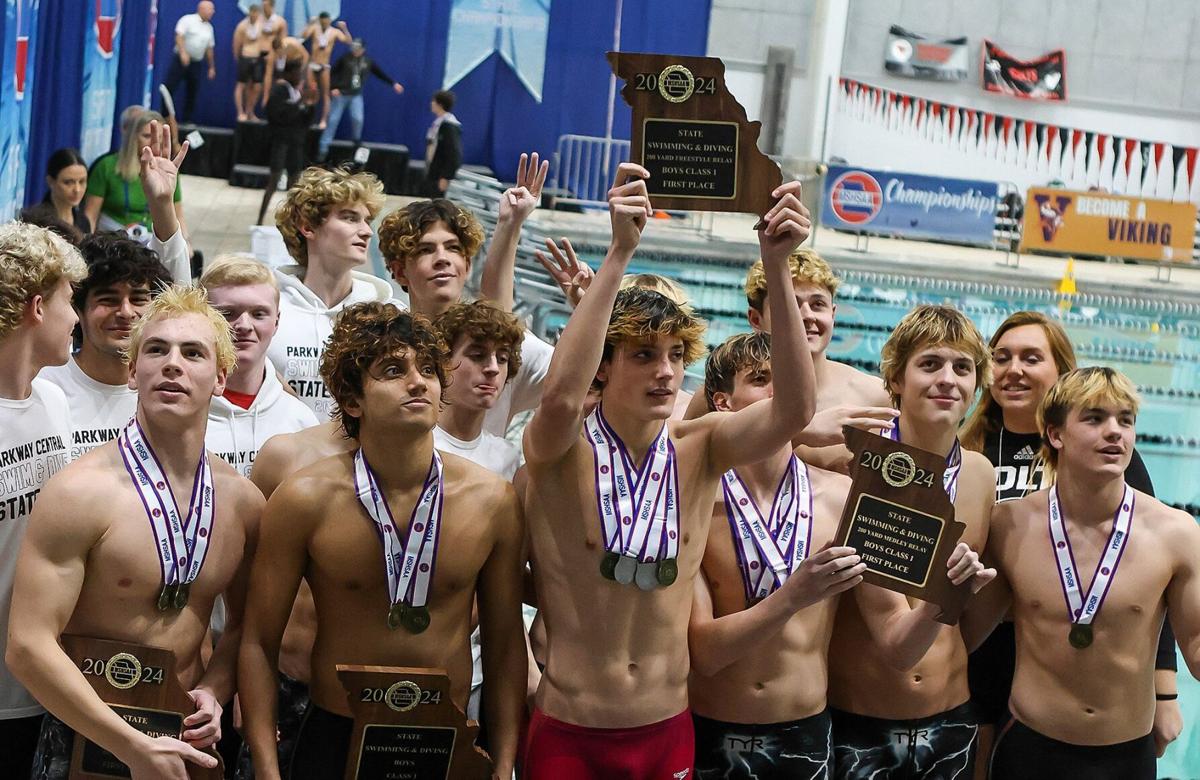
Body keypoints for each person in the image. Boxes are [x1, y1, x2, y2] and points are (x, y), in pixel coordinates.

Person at [519, 164, 815, 778]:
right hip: (571, 729)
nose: (666, 371)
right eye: (644, 355)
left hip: (666, 727)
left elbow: (794, 411)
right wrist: (620, 252)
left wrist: (778, 266)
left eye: (677, 356)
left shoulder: (700, 448)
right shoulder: (557, 451)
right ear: (603, 366)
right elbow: (561, 399)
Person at [238, 302, 526, 779]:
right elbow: (258, 641)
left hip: (445, 738)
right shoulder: (305, 499)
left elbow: (506, 645)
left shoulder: (492, 501)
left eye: (428, 370)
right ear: (353, 400)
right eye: (394, 370)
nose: (418, 382)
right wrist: (268, 770)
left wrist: (506, 763)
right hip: (336, 733)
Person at [690, 331, 992, 780]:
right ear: (722, 403)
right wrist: (793, 596)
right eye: (760, 379)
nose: (781, 394)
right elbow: (704, 655)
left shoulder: (847, 495)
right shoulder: (692, 496)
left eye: (789, 383)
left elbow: (896, 640)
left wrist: (943, 598)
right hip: (711, 728)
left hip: (808, 738)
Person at [7, 285, 262, 780]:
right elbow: (27, 645)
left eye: (193, 353)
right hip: (86, 735)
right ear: (132, 371)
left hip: (184, 734)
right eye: (157, 349)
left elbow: (244, 627)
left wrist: (215, 690)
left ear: (220, 378)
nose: (173, 364)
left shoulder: (243, 503)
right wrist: (130, 745)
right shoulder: (79, 493)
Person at [958, 310, 1181, 765]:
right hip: (984, 653)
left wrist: (1164, 690)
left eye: (1030, 358)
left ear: (1060, 371)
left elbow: (1150, 575)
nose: (1013, 369)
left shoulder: (1106, 455)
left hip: (1075, 654)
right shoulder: (967, 448)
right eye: (1001, 357)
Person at [825, 304, 996, 779]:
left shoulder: (980, 476)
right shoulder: (848, 462)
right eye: (930, 364)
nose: (948, 380)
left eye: (962, 368)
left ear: (976, 385)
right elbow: (895, 640)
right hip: (862, 723)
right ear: (896, 379)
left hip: (950, 720)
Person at [378, 152, 552, 436]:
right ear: (399, 271)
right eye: (425, 250)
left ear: (468, 266)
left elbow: (577, 378)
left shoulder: (509, 349)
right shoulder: (383, 342)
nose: (442, 259)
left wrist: (510, 224)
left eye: (453, 248)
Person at [681, 249, 897, 471]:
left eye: (818, 304)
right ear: (755, 319)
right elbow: (681, 469)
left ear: (833, 314)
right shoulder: (720, 394)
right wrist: (800, 433)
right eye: (790, 306)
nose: (807, 316)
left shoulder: (876, 398)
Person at [0, 223, 84, 777]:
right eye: (70, 300)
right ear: (37, 307)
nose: (75, 317)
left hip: (43, 684)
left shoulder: (54, 400)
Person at [267, 166, 393, 418]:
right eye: (350, 218)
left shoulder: (387, 316)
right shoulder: (266, 308)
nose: (367, 231)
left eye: (367, 220)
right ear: (308, 227)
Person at [39, 234, 172, 459]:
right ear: (77, 310)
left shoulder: (169, 388)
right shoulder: (44, 387)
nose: (126, 312)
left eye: (138, 299)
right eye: (108, 300)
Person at [201, 255, 318, 478]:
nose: (244, 325)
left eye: (258, 314)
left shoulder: (301, 420)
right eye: (228, 314)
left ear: (276, 322)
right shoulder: (180, 415)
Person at [432, 301, 524, 481]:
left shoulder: (506, 458)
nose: (493, 368)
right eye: (477, 355)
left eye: (502, 358)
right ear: (442, 361)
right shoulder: (414, 443)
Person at [84, 110, 186, 241]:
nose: (154, 141)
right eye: (147, 136)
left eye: (160, 137)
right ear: (133, 138)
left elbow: (178, 216)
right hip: (113, 240)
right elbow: (90, 216)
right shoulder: (106, 166)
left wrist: (186, 243)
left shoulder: (167, 171)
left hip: (153, 241)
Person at [316, 38, 404, 162]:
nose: (355, 50)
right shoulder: (345, 58)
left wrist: (393, 83)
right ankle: (323, 150)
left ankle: (356, 141)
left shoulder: (367, 61)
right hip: (341, 94)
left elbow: (379, 73)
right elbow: (332, 73)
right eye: (354, 48)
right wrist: (333, 87)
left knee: (358, 119)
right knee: (333, 120)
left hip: (355, 95)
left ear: (363, 49)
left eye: (358, 48)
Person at [256, 59, 318, 227]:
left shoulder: (297, 93)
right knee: (274, 180)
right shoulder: (279, 91)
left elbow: (305, 121)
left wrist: (311, 106)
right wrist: (299, 103)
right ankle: (260, 219)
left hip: (296, 143)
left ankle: (292, 222)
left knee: (294, 183)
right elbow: (277, 115)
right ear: (288, 74)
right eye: (297, 74)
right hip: (281, 142)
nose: (300, 77)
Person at [162, 1, 216, 123]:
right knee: (169, 88)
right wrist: (183, 53)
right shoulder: (187, 20)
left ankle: (187, 119)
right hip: (180, 61)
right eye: (210, 9)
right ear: (201, 9)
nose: (213, 12)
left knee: (192, 91)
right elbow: (179, 36)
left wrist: (211, 67)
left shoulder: (209, 28)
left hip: (196, 63)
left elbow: (209, 49)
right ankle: (164, 117)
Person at [21, 148, 92, 236]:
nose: (77, 189)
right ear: (50, 181)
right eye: (68, 182)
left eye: (82, 182)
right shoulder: (34, 220)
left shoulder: (83, 222)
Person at [300, 12, 352, 129]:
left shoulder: (334, 32)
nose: (324, 23)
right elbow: (303, 36)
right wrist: (309, 23)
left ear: (329, 21)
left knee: (326, 94)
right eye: (322, 21)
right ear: (320, 21)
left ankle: (323, 120)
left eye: (326, 21)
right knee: (310, 92)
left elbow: (348, 41)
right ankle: (307, 118)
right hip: (313, 65)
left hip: (324, 66)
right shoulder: (315, 28)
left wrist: (344, 28)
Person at [425, 90, 462, 197]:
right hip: (433, 170)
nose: (431, 103)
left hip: (440, 174)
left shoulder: (449, 125)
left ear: (440, 104)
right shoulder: (438, 123)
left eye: (433, 101)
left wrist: (446, 176)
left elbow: (454, 153)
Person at [232, 4, 266, 121]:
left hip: (257, 58)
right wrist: (238, 57)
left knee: (257, 86)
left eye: (256, 13)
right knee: (241, 85)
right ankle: (240, 112)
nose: (254, 15)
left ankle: (250, 111)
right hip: (246, 56)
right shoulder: (242, 26)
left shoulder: (262, 25)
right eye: (252, 13)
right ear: (249, 13)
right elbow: (236, 44)